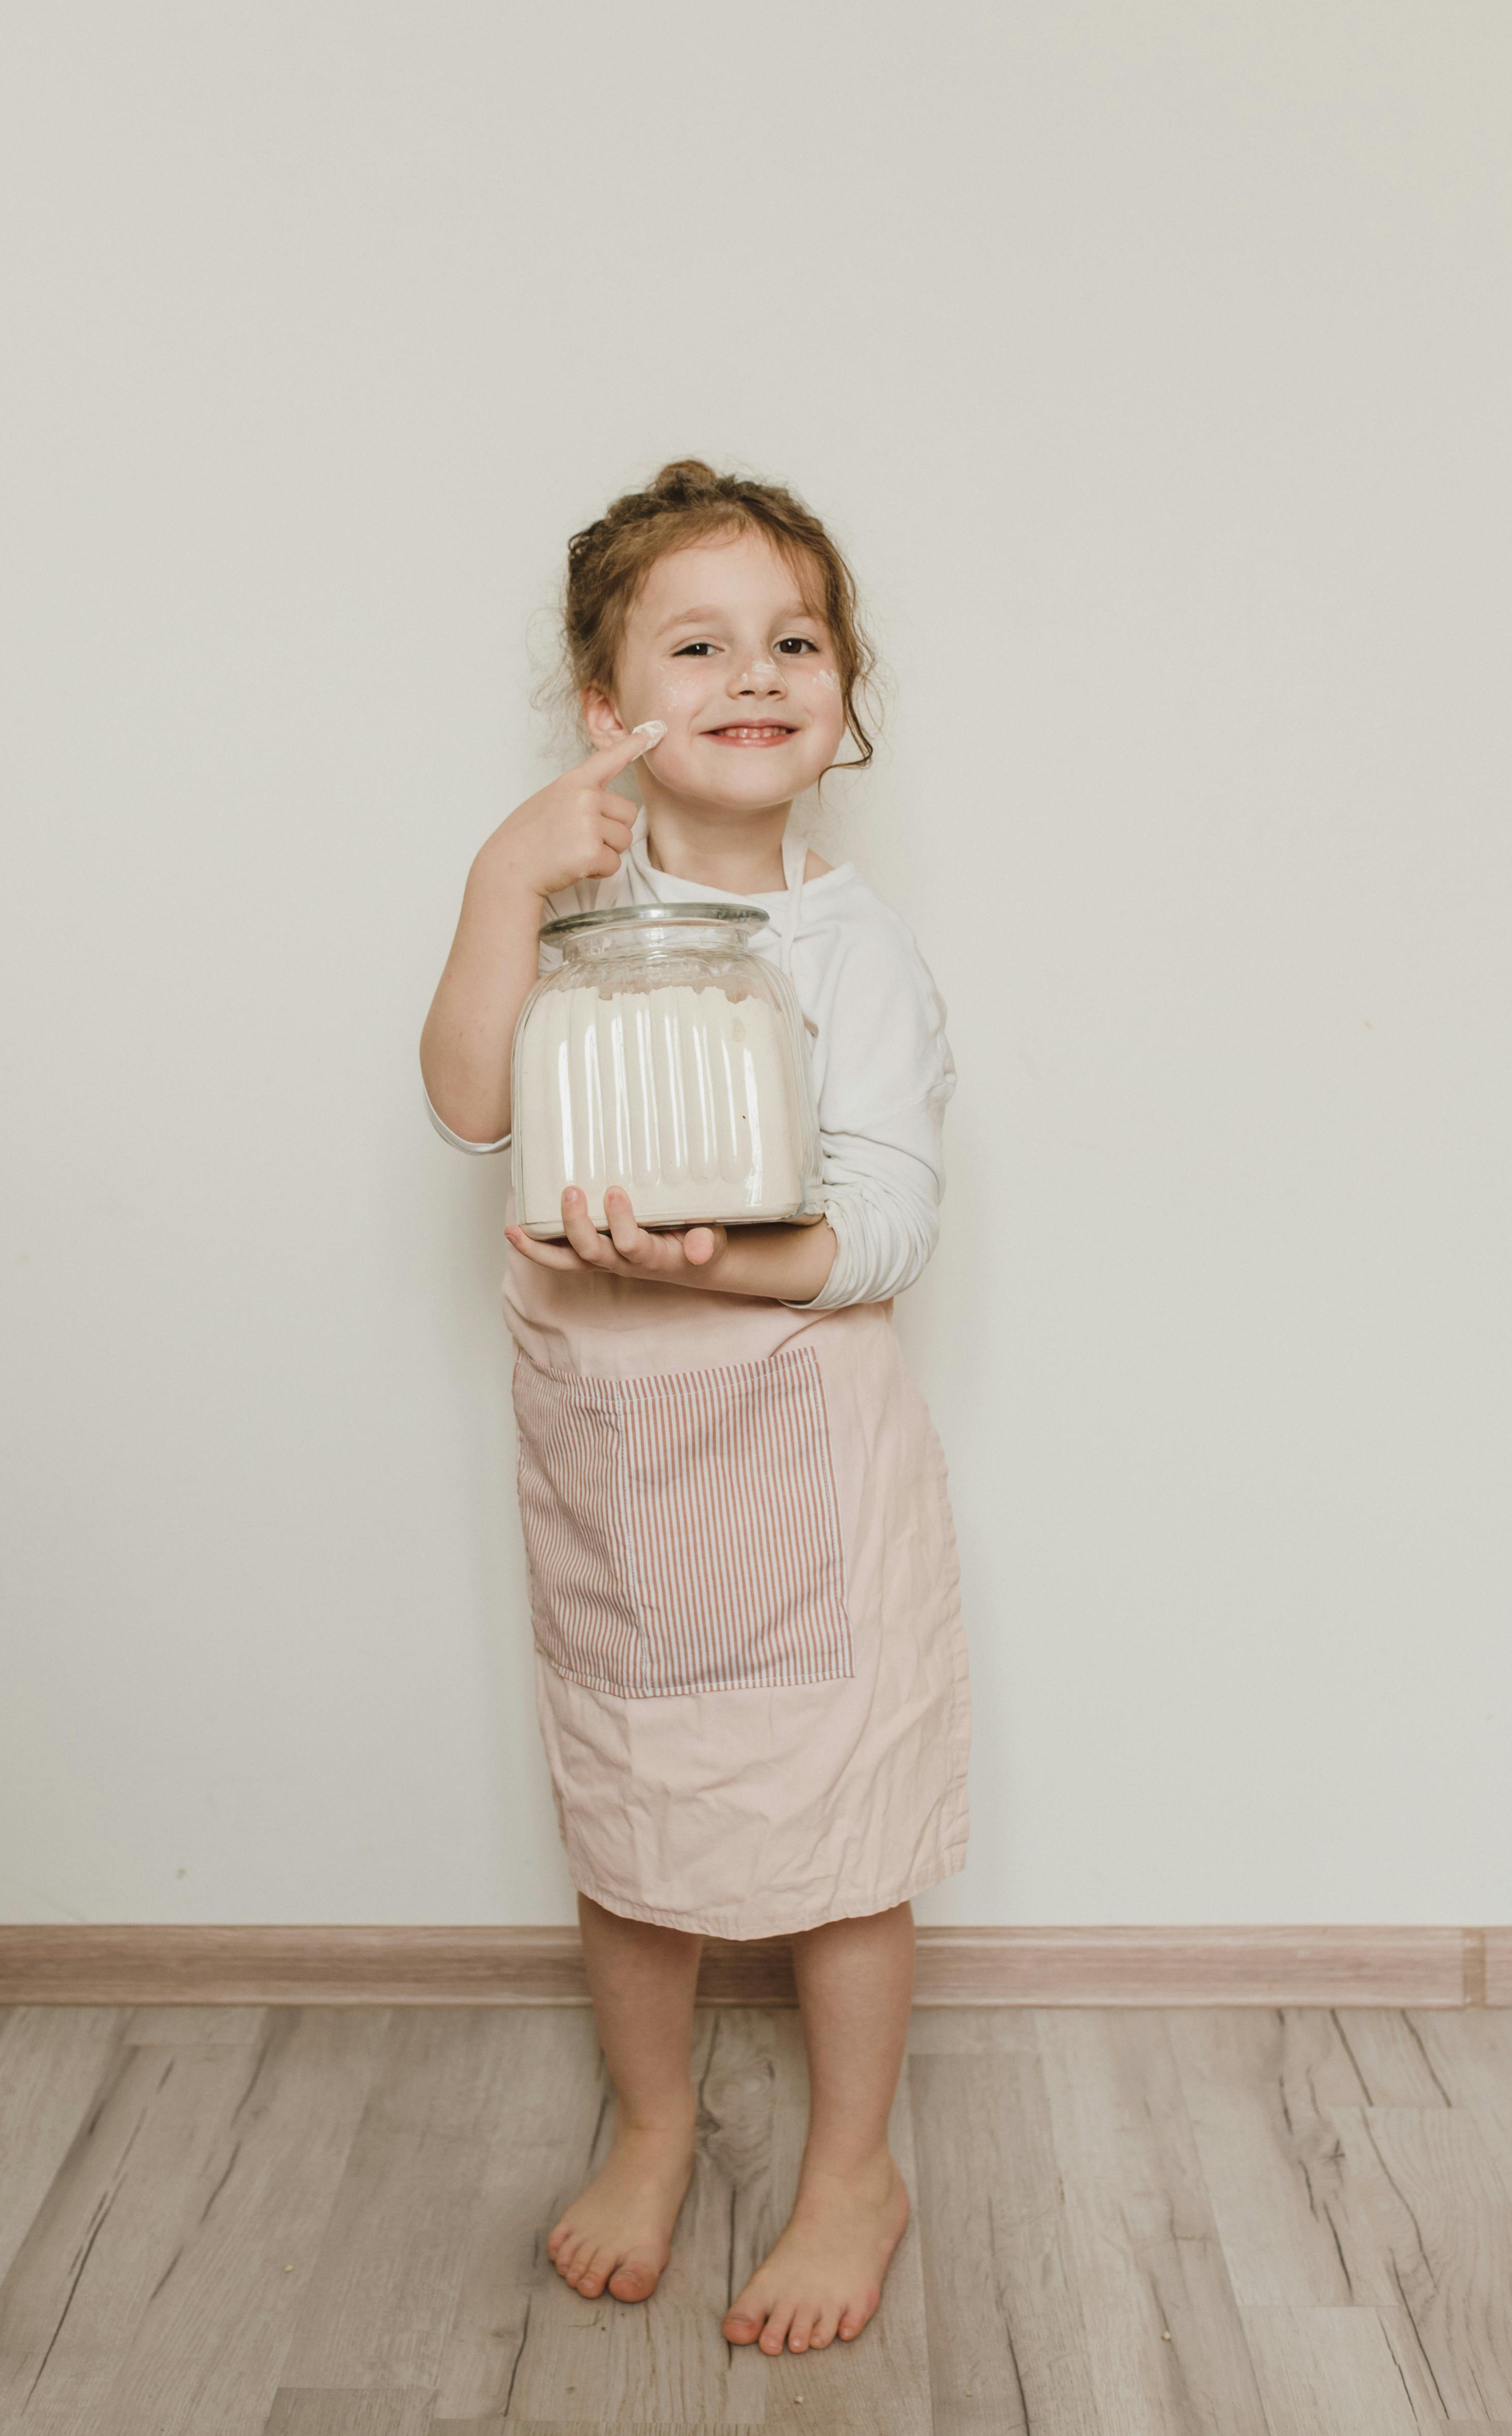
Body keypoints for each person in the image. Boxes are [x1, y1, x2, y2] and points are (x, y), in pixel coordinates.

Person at [420, 459, 970, 2359]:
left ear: (845, 696)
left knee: (840, 1823)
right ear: (609, 712)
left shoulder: (851, 948)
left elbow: (883, 1225)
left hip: (798, 1433)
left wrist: (712, 1265)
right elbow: (474, 1108)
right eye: (700, 642)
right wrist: (505, 877)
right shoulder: (574, 909)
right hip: (614, 1445)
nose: (757, 672)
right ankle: (651, 2122)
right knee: (633, 1804)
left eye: (794, 641)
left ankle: (849, 2169)